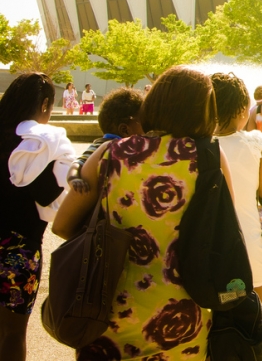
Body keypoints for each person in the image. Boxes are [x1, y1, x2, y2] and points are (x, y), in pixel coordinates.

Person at [53, 66, 224, 361]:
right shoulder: (207, 157)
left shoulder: (109, 153)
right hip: (181, 317)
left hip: (105, 310)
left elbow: (62, 225)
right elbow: (225, 231)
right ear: (204, 110)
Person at [0, 73, 73, 361]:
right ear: (44, 104)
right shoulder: (36, 144)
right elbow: (46, 196)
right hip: (18, 248)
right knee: (12, 333)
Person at [211, 73, 262, 306]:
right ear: (241, 110)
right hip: (248, 237)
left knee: (218, 310)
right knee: (254, 313)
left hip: (210, 243)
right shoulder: (256, 143)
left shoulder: (194, 146)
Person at [66, 88, 145, 193]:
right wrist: (74, 179)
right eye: (143, 122)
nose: (146, 128)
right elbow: (77, 163)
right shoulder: (102, 146)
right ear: (124, 130)